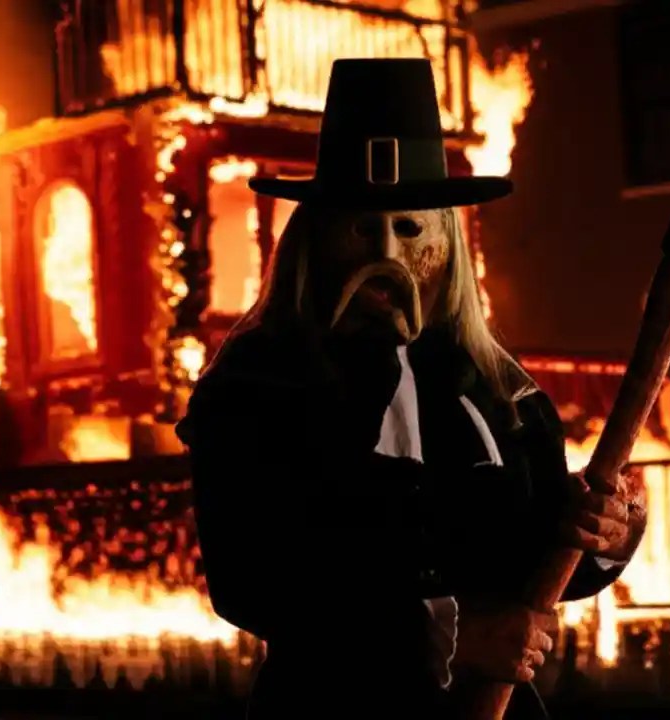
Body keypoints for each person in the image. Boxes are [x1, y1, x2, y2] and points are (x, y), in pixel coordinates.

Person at [176, 58, 644, 719]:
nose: (387, 254)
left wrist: (609, 532)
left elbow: (540, 563)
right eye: (363, 228)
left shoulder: (500, 395)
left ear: (446, 241)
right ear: (318, 237)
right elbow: (252, 582)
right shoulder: (256, 389)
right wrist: (445, 634)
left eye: (408, 228)